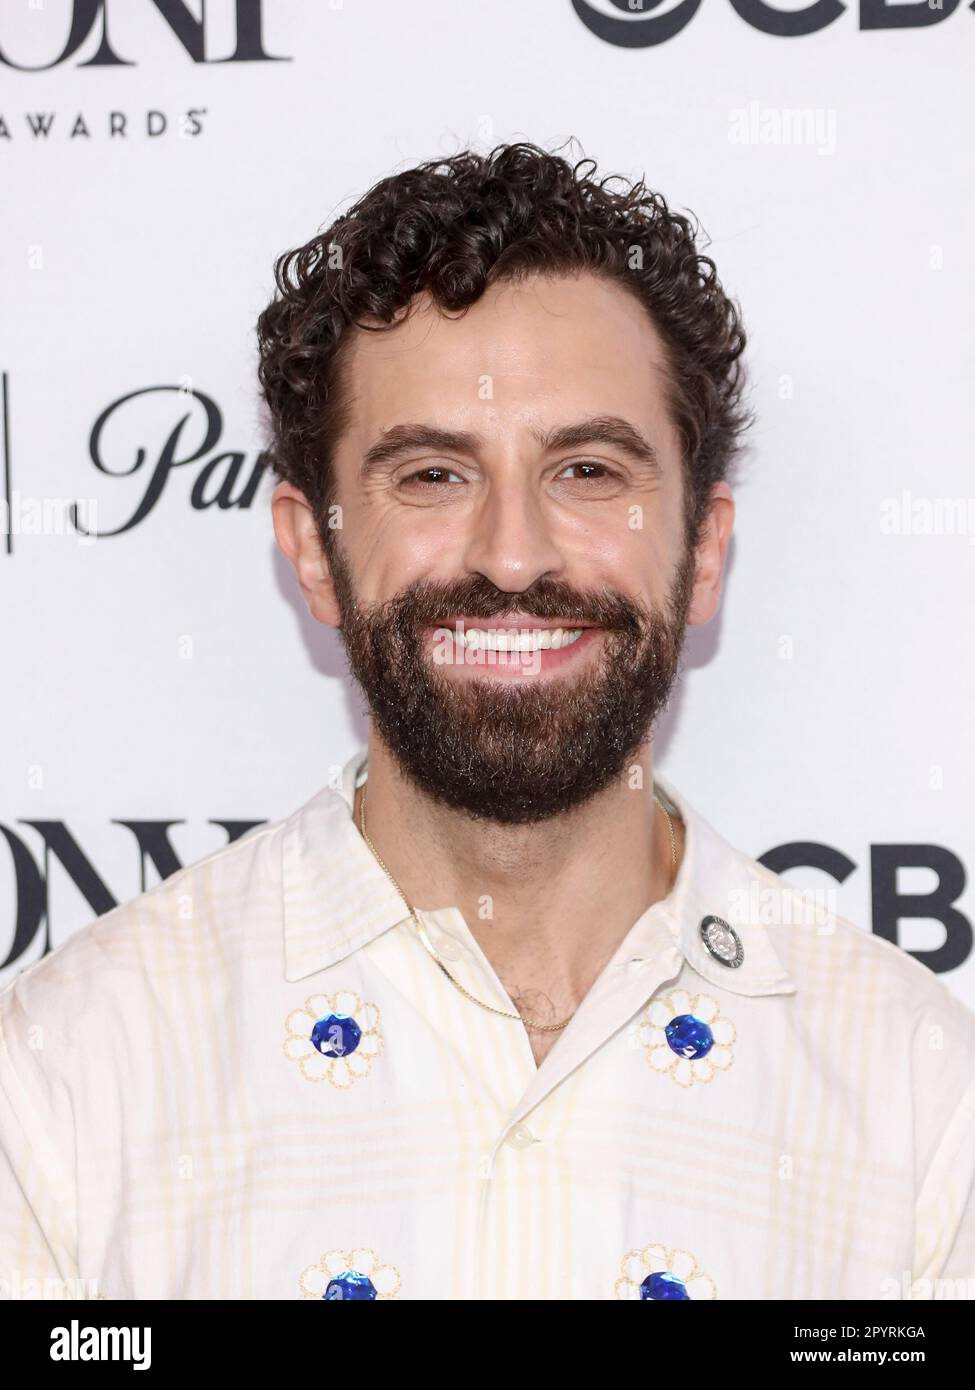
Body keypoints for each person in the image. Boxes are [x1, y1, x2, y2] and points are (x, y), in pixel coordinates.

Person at [2, 142, 973, 1302]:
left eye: (588, 470)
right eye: (430, 476)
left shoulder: (916, 1096)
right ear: (314, 551)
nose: (513, 554)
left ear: (704, 552)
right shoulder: (73, 1072)